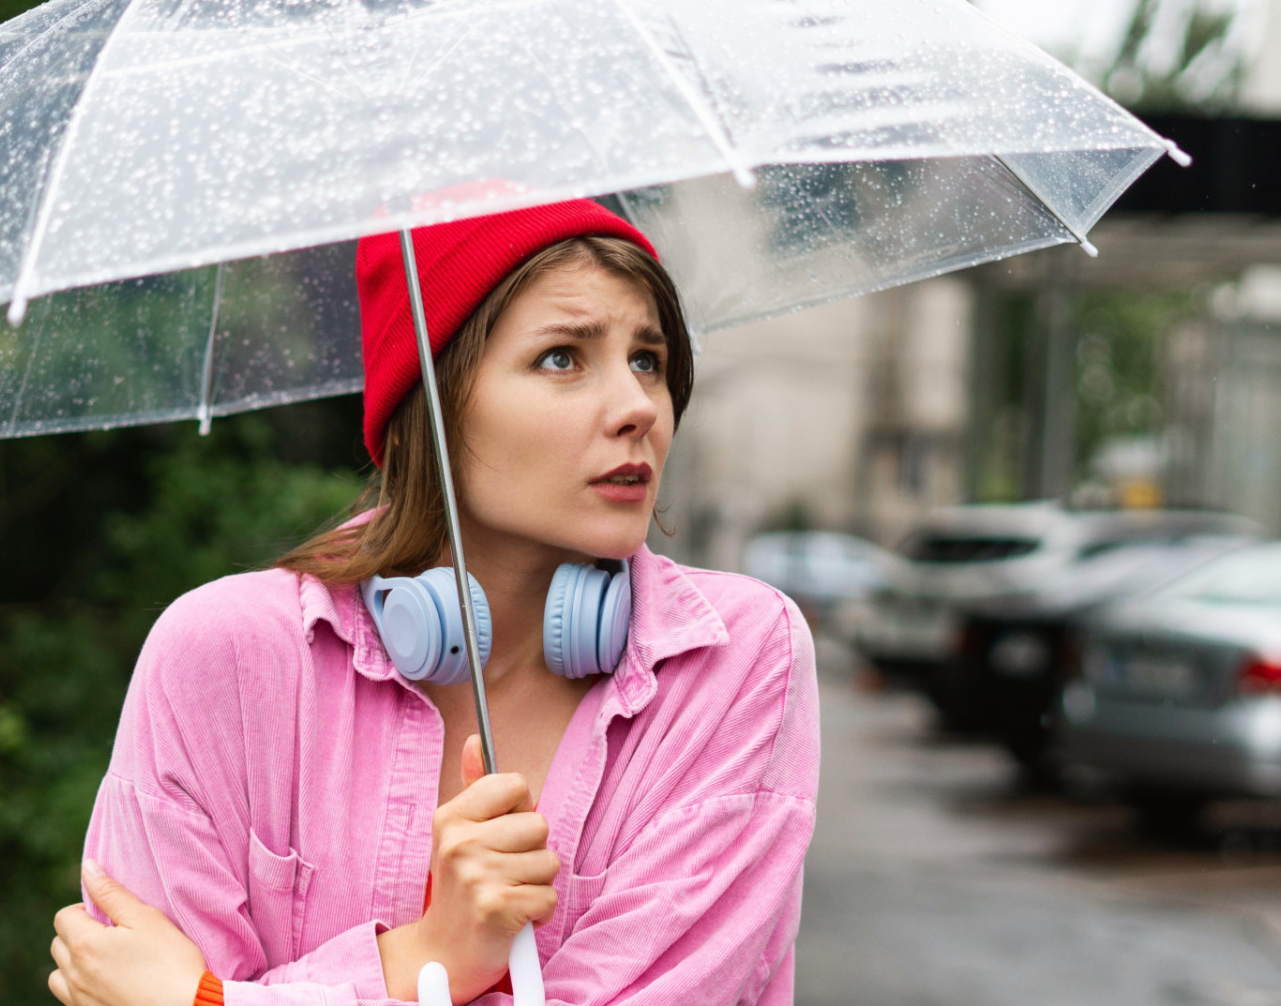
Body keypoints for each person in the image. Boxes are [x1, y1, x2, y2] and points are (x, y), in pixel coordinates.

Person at [47, 199, 819, 1006]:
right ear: (433, 398)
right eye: (562, 358)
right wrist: (428, 956)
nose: (638, 408)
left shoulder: (735, 659)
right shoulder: (223, 658)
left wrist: (214, 1000)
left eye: (649, 360)